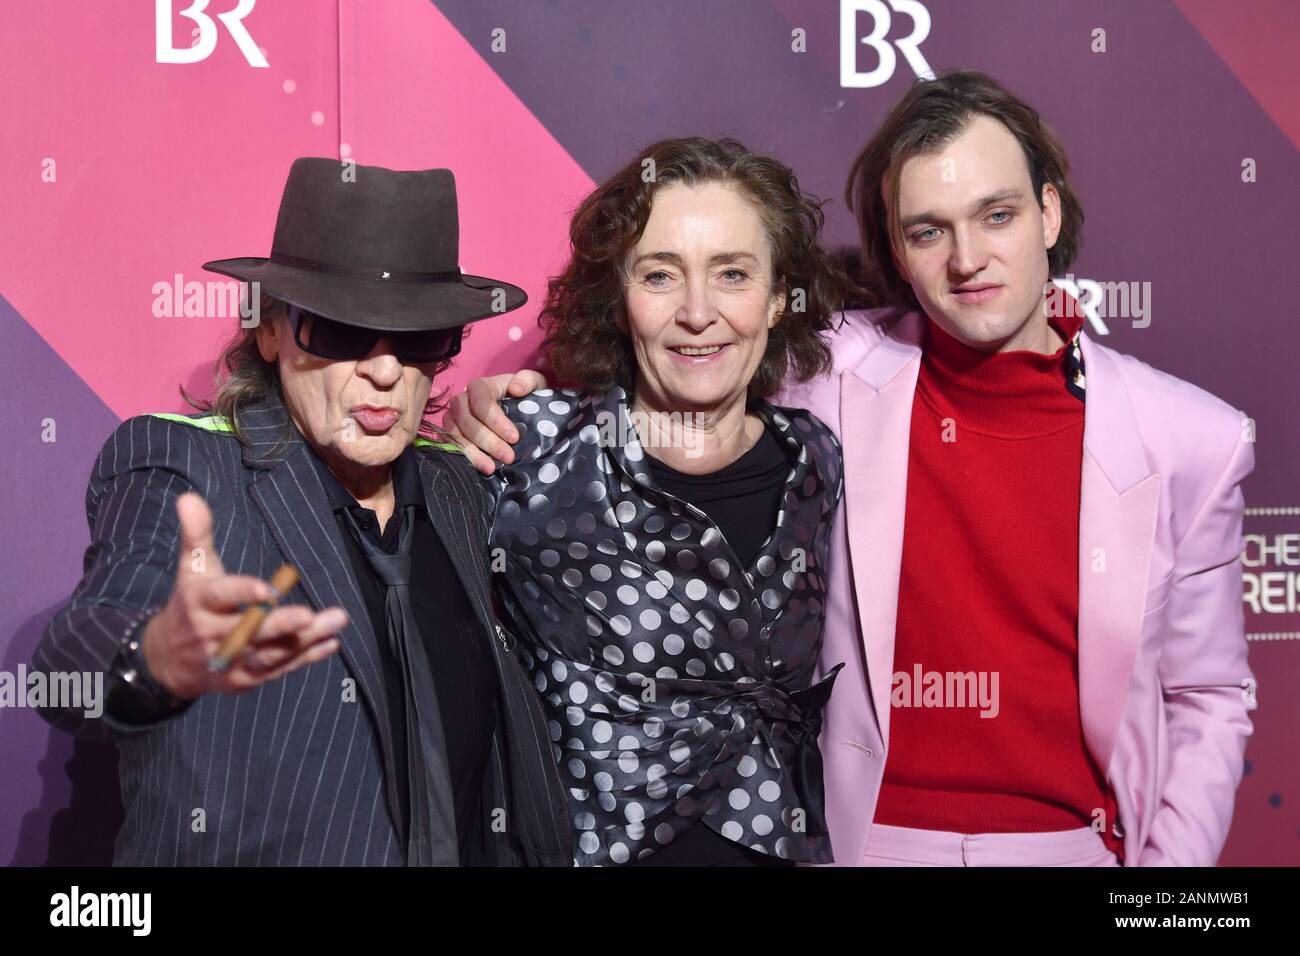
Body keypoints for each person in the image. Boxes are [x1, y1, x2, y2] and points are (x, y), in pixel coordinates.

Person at [447, 72, 1256, 867]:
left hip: (1073, 848)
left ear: (1048, 212)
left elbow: (1208, 697)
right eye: (929, 230)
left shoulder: (1190, 439)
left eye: (997, 215)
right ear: (897, 250)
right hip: (861, 840)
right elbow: (690, 351)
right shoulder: (830, 373)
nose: (968, 258)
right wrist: (494, 405)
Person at [31, 158, 571, 866]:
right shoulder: (185, 466)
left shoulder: (458, 487)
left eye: (416, 339)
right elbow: (73, 656)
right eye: (342, 333)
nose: (383, 370)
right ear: (271, 332)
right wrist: (154, 658)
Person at [469, 137, 857, 866]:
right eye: (659, 276)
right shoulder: (531, 452)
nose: (698, 312)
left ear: (778, 297)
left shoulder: (821, 463)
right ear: (619, 298)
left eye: (733, 274)